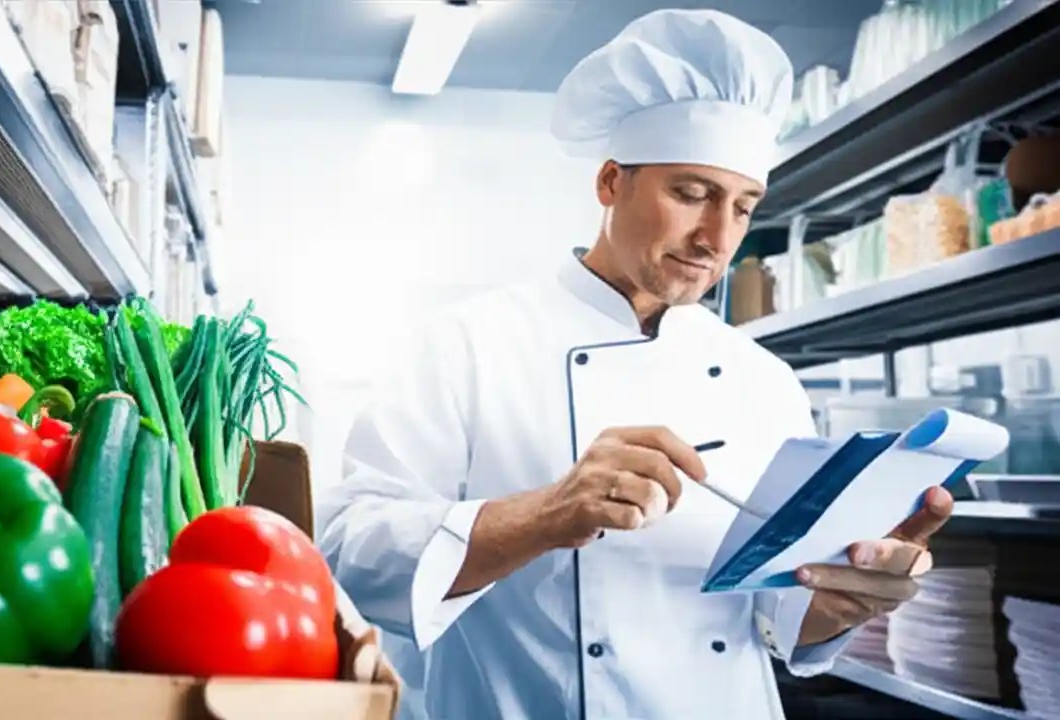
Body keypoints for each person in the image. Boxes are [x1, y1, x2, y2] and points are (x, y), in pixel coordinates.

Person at [316, 9, 951, 720]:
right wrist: (544, 515)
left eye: (743, 208)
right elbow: (348, 553)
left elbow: (778, 618)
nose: (716, 238)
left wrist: (842, 599)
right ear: (611, 182)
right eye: (691, 193)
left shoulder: (765, 383)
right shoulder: (467, 344)